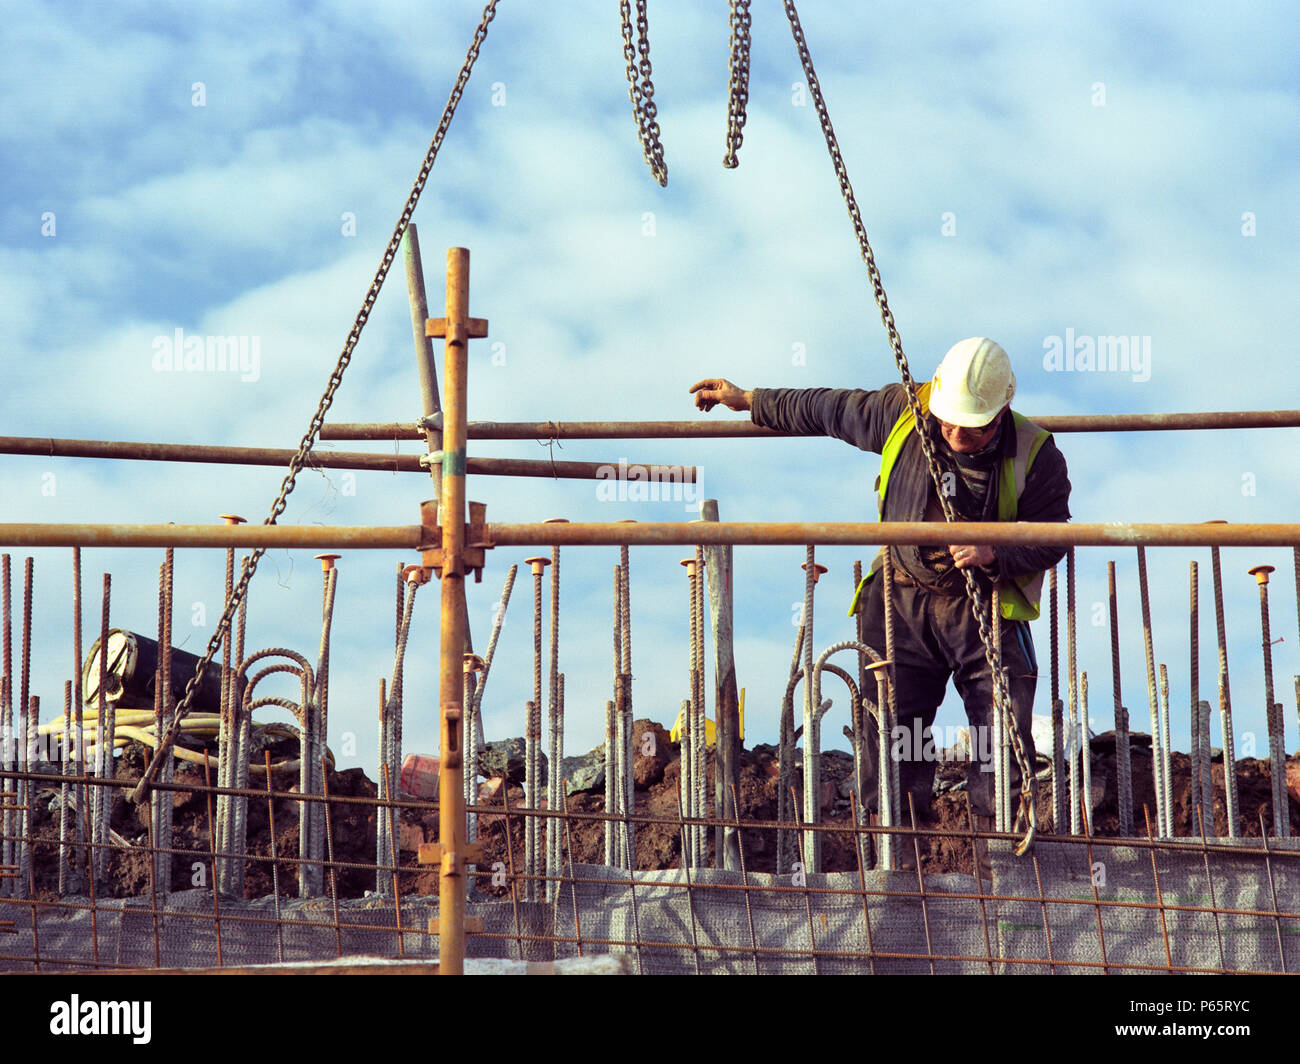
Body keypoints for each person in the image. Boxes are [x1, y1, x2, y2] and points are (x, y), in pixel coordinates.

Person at [690, 338, 1072, 866]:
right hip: (898, 601)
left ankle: (1002, 869)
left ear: (1002, 409)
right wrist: (749, 400)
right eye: (948, 422)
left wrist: (994, 550)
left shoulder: (1036, 453)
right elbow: (827, 408)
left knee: (1001, 737)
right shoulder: (905, 412)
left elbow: (1054, 537)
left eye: (973, 426)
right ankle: (898, 872)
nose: (956, 435)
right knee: (890, 736)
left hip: (981, 603)